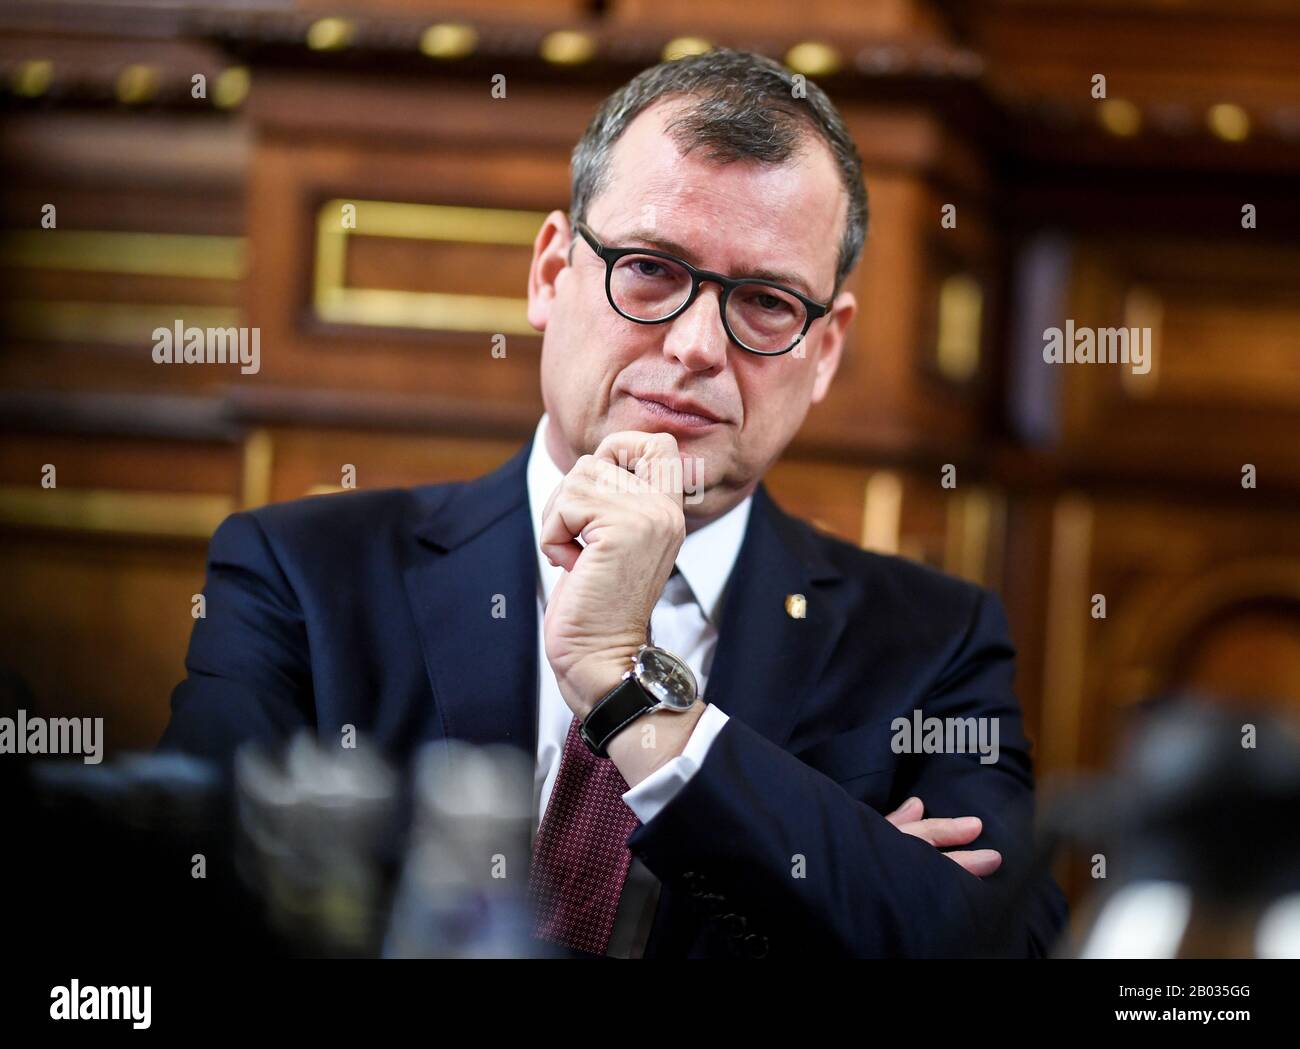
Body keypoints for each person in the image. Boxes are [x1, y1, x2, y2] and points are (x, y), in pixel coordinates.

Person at [161, 48, 1067, 959]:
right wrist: (844, 880)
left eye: (765, 300)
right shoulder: (301, 573)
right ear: (551, 274)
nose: (697, 344)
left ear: (825, 349)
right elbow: (193, 915)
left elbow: (1000, 952)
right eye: (650, 267)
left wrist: (630, 694)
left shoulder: (932, 641)